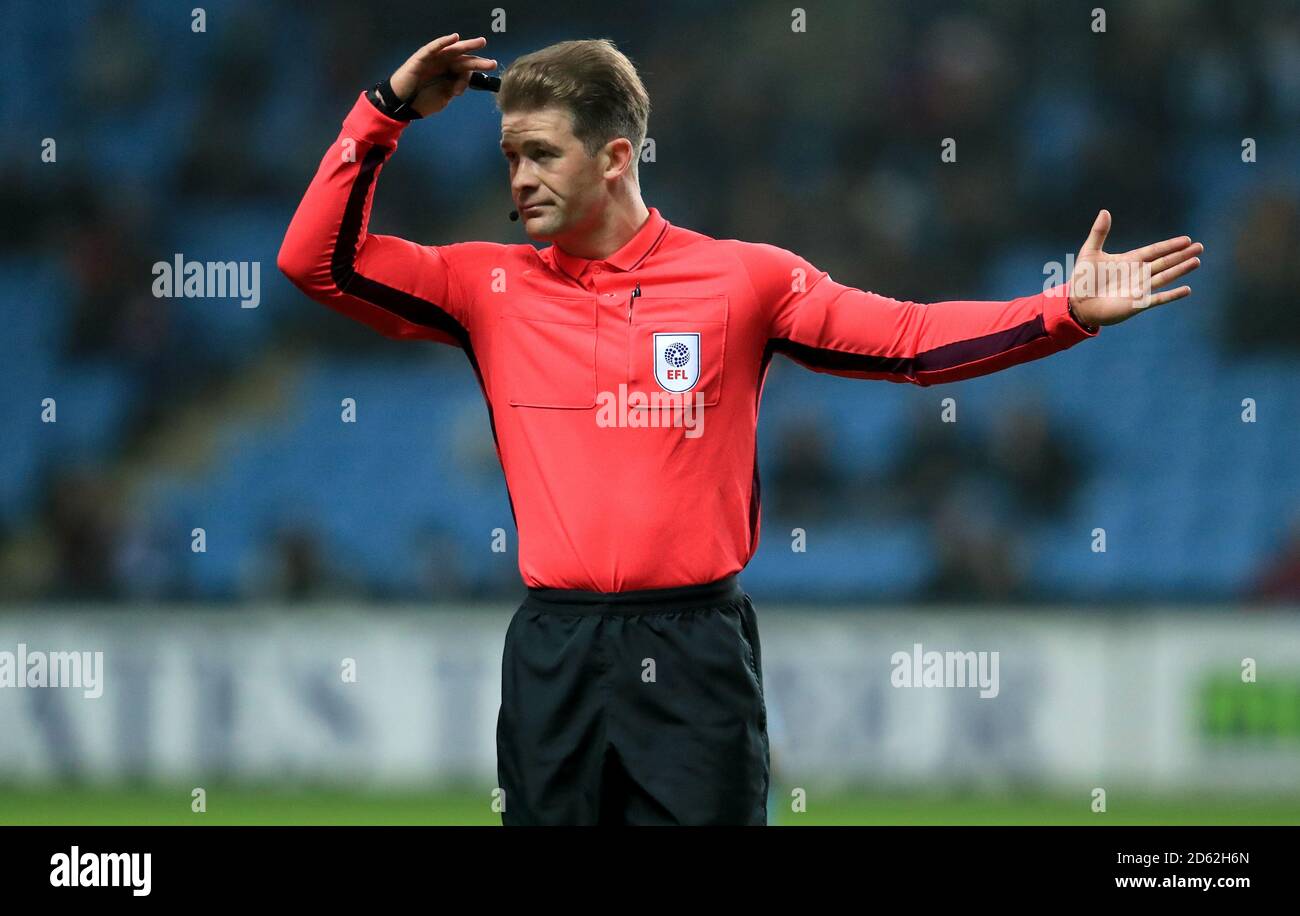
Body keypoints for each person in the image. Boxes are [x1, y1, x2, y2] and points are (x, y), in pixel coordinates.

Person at [277, 33, 1204, 825]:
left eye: (543, 154)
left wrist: (1063, 310)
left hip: (692, 651)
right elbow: (313, 261)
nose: (519, 179)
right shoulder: (488, 287)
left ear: (614, 157)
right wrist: (383, 110)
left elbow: (915, 342)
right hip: (553, 649)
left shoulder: (742, 280)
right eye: (511, 155)